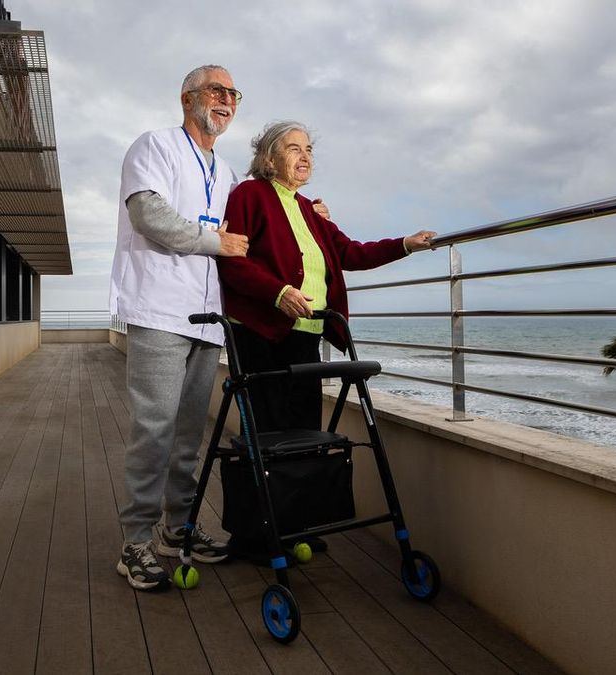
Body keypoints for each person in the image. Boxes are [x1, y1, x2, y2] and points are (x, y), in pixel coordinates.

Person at [107, 65, 247, 591]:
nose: (226, 99)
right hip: (160, 308)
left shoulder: (228, 172)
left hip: (209, 318)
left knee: (189, 434)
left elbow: (252, 222)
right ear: (187, 98)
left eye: (233, 93)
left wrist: (308, 208)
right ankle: (136, 541)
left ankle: (178, 528)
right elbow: (149, 214)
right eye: (216, 90)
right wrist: (216, 243)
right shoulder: (155, 146)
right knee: (155, 429)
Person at [219, 120, 437, 435]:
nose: (305, 156)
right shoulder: (250, 194)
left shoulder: (311, 210)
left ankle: (306, 486)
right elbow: (233, 263)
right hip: (262, 331)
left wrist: (405, 245)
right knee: (268, 435)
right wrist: (280, 293)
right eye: (294, 148)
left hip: (308, 330)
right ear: (269, 159)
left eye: (308, 149)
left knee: (306, 432)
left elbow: (350, 253)